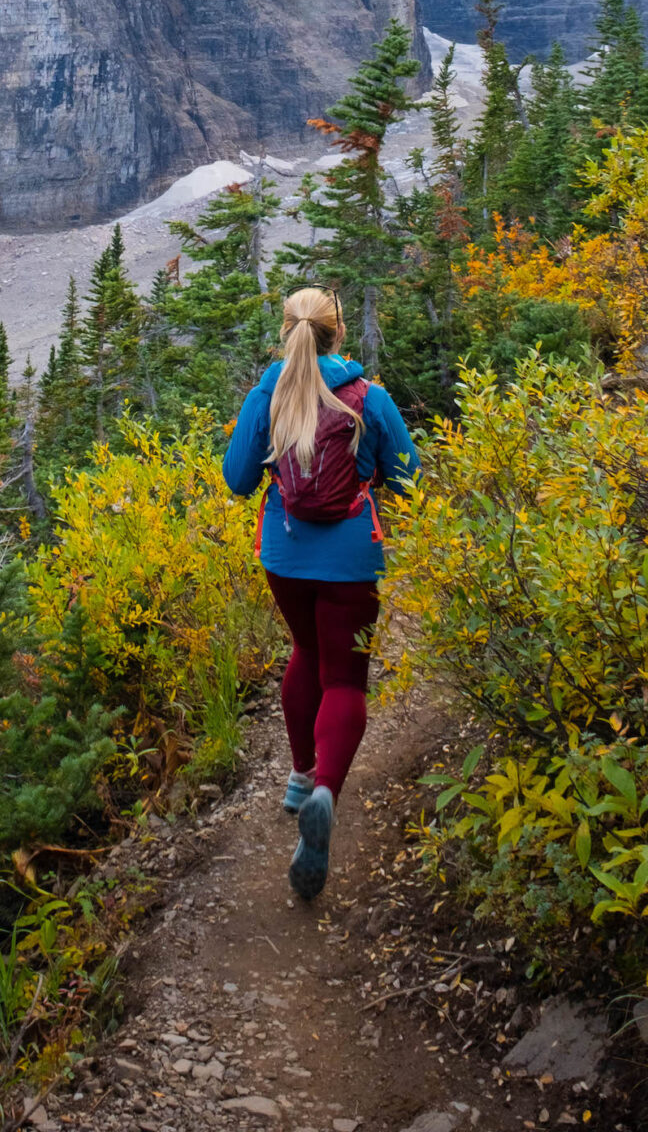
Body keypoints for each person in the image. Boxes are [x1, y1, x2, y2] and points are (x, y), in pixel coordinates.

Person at [223, 287, 418, 900]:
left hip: (285, 556)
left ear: (288, 332)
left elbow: (236, 479)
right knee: (344, 679)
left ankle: (301, 775)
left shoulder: (269, 394)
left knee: (306, 650)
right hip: (352, 557)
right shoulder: (369, 397)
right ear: (339, 332)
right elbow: (409, 478)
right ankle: (326, 791)